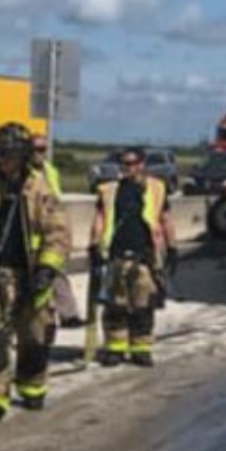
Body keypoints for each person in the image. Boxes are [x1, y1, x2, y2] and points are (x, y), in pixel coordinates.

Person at [0, 123, 71, 424]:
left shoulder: (40, 189)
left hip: (32, 271)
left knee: (35, 334)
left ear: (23, 157)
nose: (6, 160)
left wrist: (47, 269)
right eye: (2, 154)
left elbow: (58, 233)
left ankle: (32, 384)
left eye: (12, 155)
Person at [90, 147, 174, 366]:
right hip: (116, 254)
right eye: (125, 164)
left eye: (133, 163)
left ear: (142, 165)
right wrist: (94, 246)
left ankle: (141, 348)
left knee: (144, 304)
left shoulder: (157, 189)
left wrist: (171, 248)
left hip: (145, 256)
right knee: (115, 305)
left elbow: (165, 219)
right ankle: (115, 348)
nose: (129, 168)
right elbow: (100, 218)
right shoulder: (108, 190)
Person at [29, 133, 80, 323]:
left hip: (52, 234)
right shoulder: (24, 173)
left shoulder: (51, 171)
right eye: (35, 149)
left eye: (43, 149)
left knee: (57, 272)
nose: (39, 153)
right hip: (32, 237)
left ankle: (68, 314)